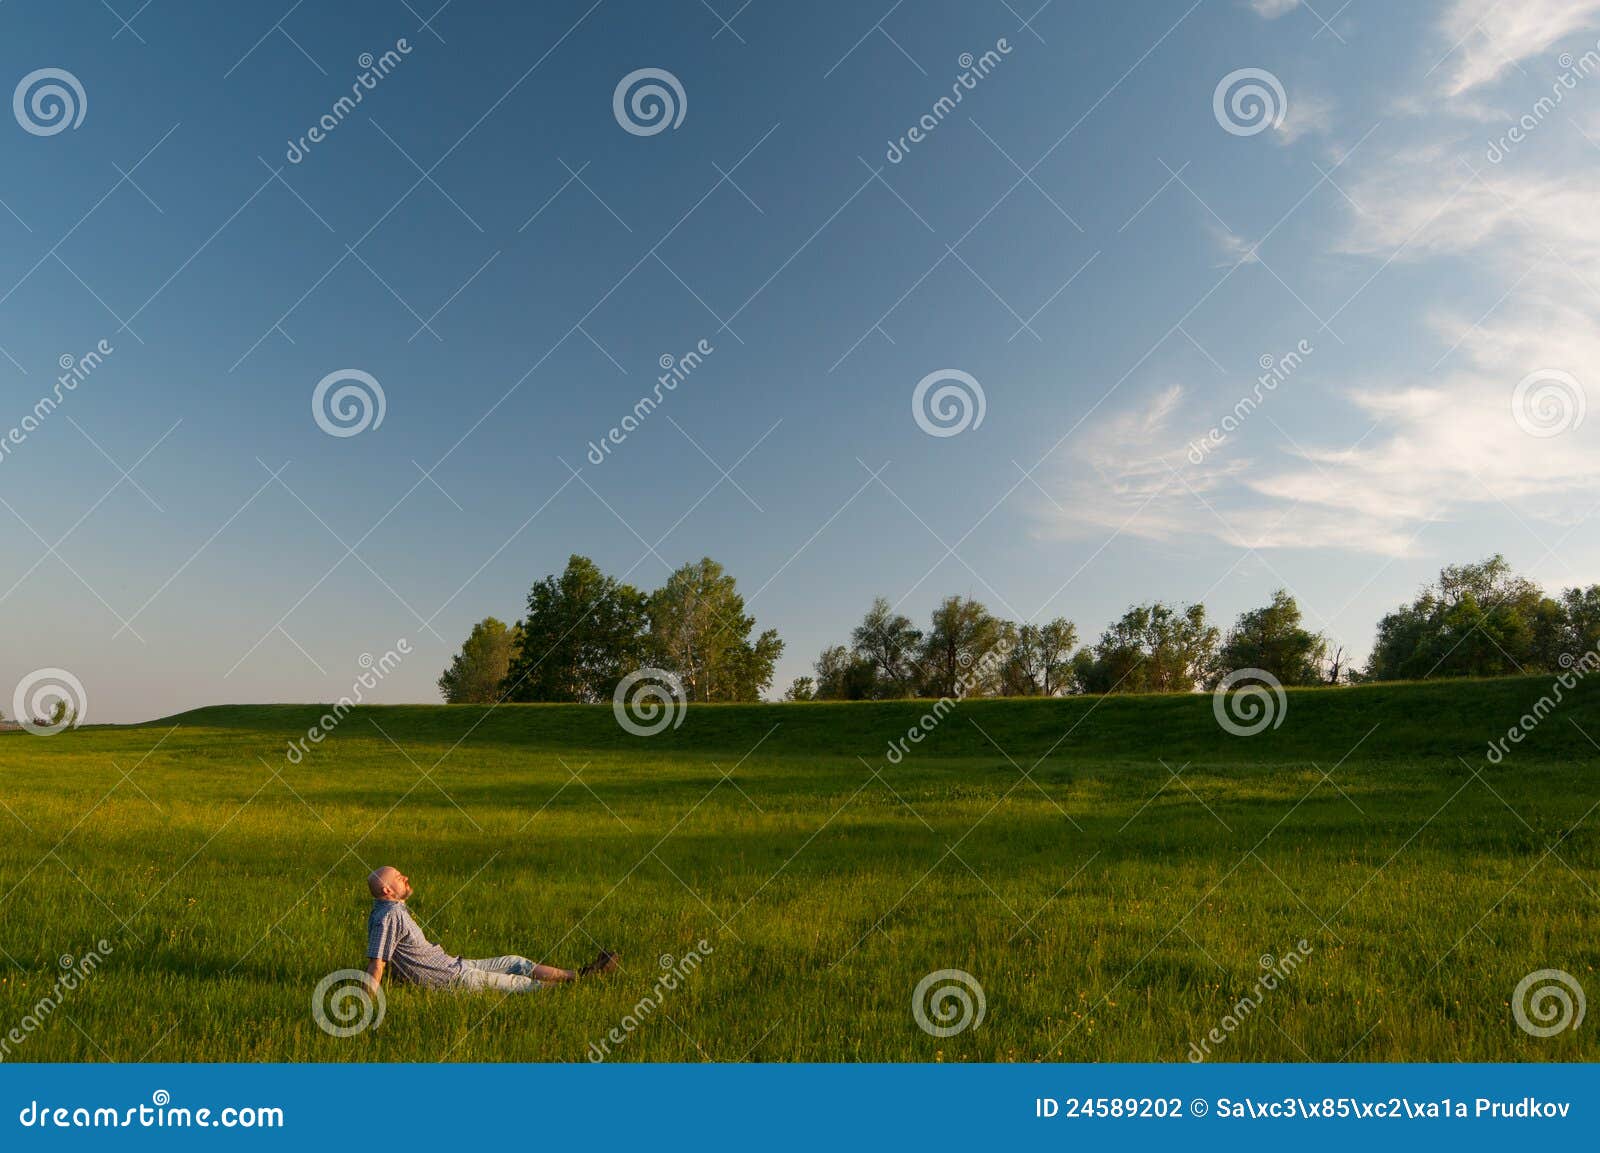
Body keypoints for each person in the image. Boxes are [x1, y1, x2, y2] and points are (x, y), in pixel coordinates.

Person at [363, 865, 617, 992]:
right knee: (516, 982)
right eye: (398, 877)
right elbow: (378, 964)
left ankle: (580, 975)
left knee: (515, 961)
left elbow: (396, 957)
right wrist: (367, 1001)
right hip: (451, 979)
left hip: (454, 966)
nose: (405, 877)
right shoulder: (388, 916)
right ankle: (573, 988)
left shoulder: (390, 912)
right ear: (387, 890)